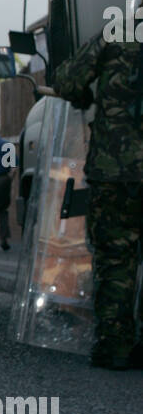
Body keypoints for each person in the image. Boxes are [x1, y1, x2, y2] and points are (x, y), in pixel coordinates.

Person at [53, 32, 143, 369]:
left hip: (115, 170)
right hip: (115, 171)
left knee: (115, 259)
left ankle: (115, 346)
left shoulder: (117, 32)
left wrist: (84, 95)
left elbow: (66, 80)